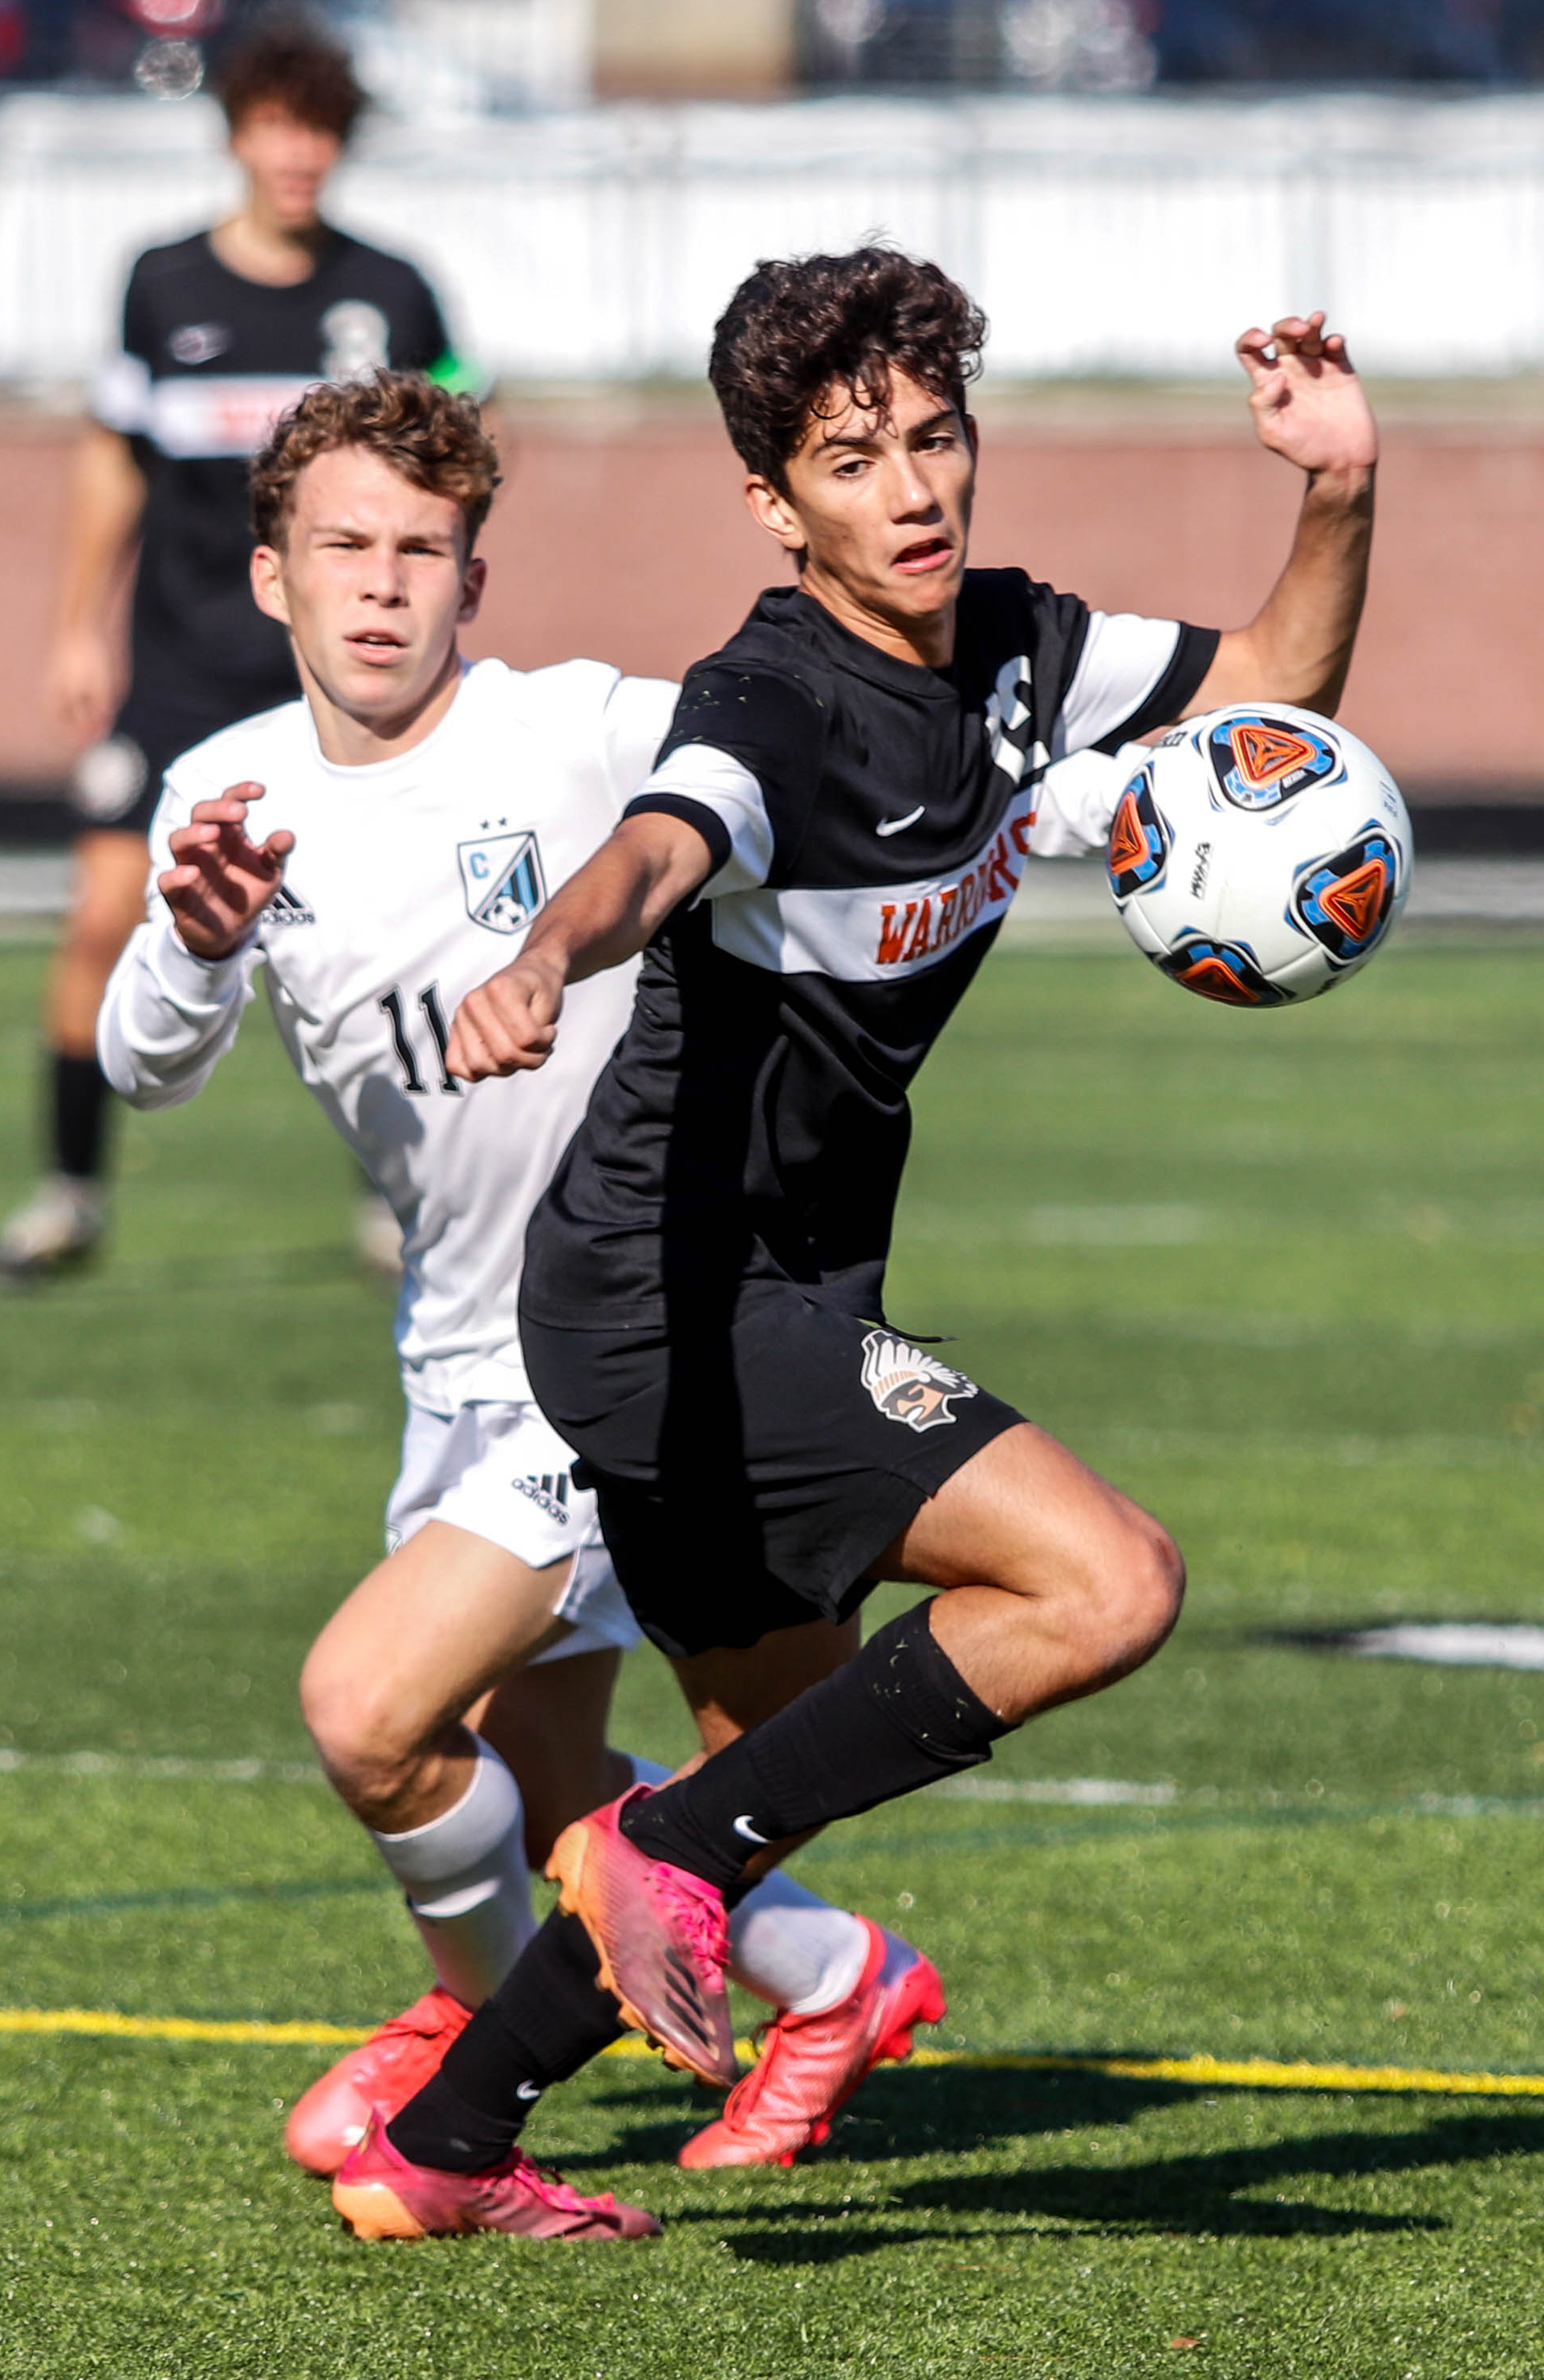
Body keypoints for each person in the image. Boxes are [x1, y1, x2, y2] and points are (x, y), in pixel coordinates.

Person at [329, 248, 1379, 2244]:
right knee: (1106, 1582)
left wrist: (1332, 491)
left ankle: (446, 2151)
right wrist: (553, 945)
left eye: (930, 437)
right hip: (674, 1301)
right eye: (849, 457)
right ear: (770, 501)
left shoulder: (1005, 647)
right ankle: (654, 1862)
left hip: (772, 1289)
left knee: (743, 1802)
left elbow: (1267, 696)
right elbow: (671, 833)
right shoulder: (770, 697)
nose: (911, 490)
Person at [95, 369, 941, 2236]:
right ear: (269, 579)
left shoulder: (570, 734)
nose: (383, 585)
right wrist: (190, 937)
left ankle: (475, 2076)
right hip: (451, 1349)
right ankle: (837, 1976)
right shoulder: (221, 797)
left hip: (621, 1326)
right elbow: (142, 1065)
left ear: (476, 579)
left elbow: (773, 754)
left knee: (371, 1712)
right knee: (548, 1782)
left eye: (423, 549)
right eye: (345, 549)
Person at [0, 11, 469, 1282]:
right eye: (274, 127)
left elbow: (459, 462)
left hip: (331, 686)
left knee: (373, 930)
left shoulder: (394, 294)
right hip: (181, 668)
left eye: (317, 130)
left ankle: (398, 1194)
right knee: (101, 916)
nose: (295, 153)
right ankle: (68, 1196)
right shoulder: (163, 284)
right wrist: (78, 628)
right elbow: (113, 465)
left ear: (340, 144)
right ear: (237, 137)